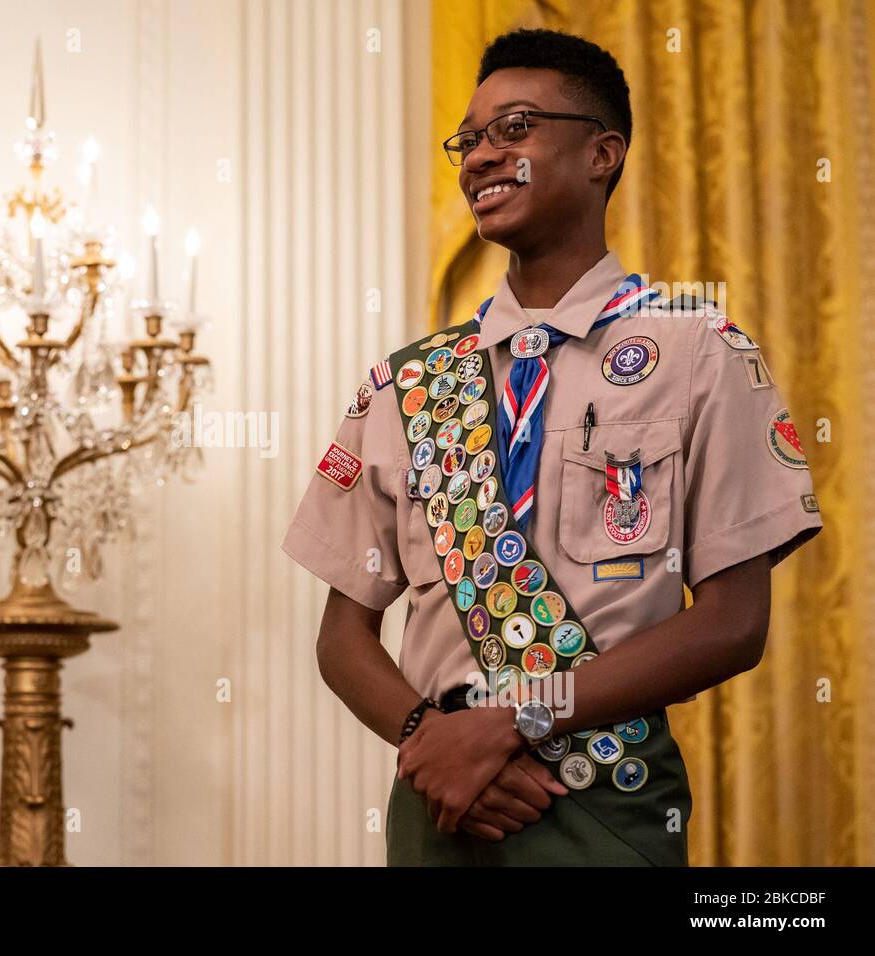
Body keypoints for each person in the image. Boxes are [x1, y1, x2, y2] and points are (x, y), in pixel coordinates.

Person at [281, 27, 823, 866]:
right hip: (444, 801)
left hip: (600, 796)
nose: (480, 156)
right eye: (470, 138)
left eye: (515, 128)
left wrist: (517, 718)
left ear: (603, 152)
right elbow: (342, 636)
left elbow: (732, 624)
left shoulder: (697, 351)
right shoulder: (406, 383)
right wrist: (433, 738)